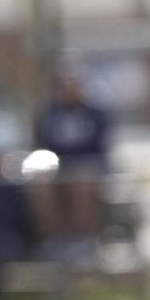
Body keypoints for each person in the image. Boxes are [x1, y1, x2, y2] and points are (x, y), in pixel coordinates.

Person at [30, 63, 112, 253]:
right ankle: (55, 238)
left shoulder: (95, 113)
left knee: (81, 185)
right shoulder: (49, 113)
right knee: (41, 188)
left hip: (87, 165)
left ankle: (84, 239)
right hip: (59, 166)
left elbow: (100, 147)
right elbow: (43, 145)